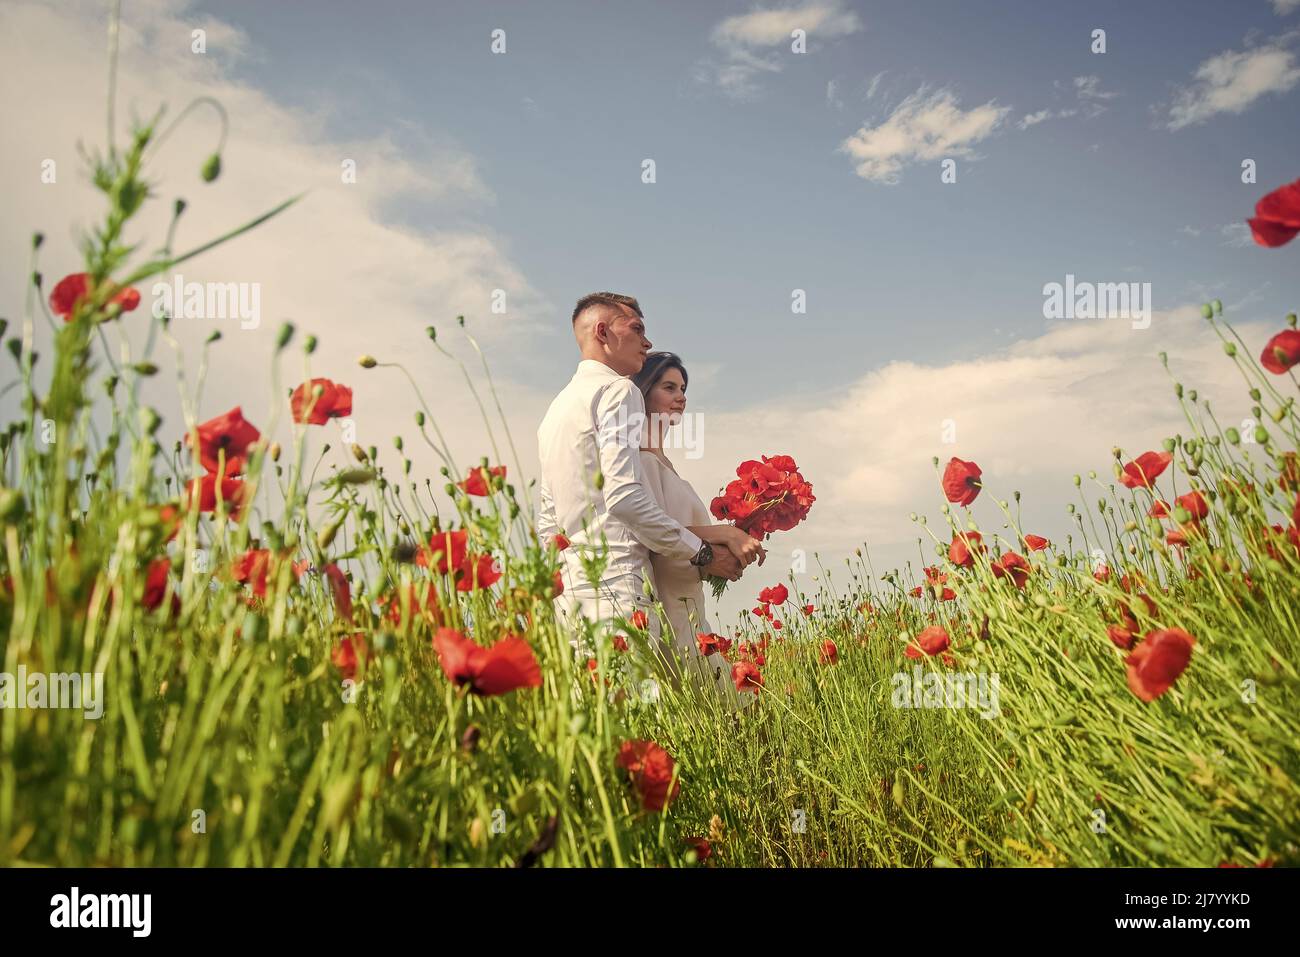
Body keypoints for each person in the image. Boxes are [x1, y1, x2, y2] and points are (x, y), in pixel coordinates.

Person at [536, 293, 763, 676]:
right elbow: (624, 498)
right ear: (603, 332)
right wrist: (704, 553)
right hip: (620, 591)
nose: (647, 342)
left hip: (571, 598)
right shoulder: (618, 390)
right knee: (636, 726)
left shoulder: (556, 409)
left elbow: (548, 523)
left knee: (595, 724)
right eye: (637, 329)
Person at [633, 351, 763, 707]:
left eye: (684, 388)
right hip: (668, 608)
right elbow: (655, 532)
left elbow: (681, 539)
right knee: (725, 712)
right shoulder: (641, 460)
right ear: (642, 393)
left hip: (690, 604)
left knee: (731, 713)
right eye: (669, 386)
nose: (681, 396)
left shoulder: (664, 462)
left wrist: (720, 558)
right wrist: (725, 533)